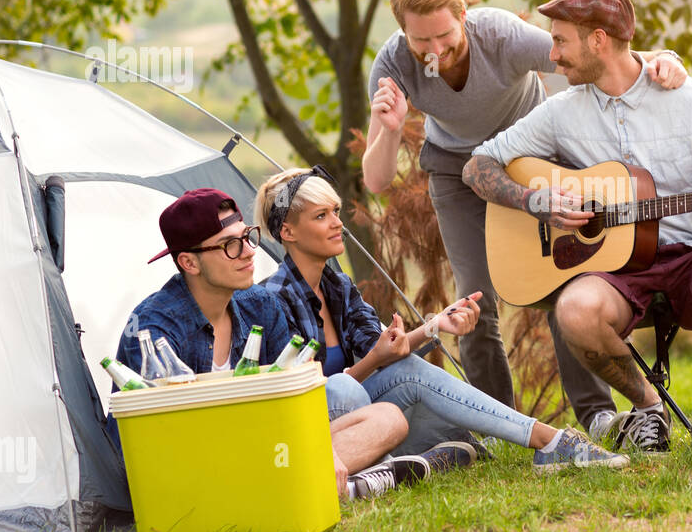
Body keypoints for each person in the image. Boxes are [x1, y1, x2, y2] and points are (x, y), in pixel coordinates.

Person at [362, 0, 689, 430]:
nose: (435, 50)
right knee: (474, 301)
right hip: (457, 174)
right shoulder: (393, 65)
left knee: (565, 280)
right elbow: (375, 179)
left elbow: (583, 59)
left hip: (531, 163)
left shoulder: (501, 37)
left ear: (464, 17)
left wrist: (660, 58)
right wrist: (391, 130)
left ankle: (598, 416)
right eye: (421, 41)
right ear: (402, 33)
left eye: (444, 35)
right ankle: (501, 426)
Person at [463, 0, 692, 453]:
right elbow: (478, 165)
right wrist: (536, 201)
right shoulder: (559, 112)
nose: (553, 56)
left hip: (691, 262)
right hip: (614, 273)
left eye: (560, 42)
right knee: (572, 310)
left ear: (598, 41)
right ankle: (647, 408)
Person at [256, 167, 630, 476]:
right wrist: (374, 360)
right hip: (308, 424)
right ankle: (523, 443)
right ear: (287, 232)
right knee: (344, 388)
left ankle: (540, 440)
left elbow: (385, 349)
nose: (338, 223)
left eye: (336, 212)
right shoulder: (271, 300)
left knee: (414, 377)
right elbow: (304, 395)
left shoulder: (337, 285)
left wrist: (435, 327)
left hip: (360, 414)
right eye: (321, 216)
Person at [113, 188, 416, 501]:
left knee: (388, 419)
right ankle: (337, 483)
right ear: (189, 262)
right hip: (194, 467)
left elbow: (294, 393)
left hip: (262, 449)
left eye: (247, 237)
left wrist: (319, 449)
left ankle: (317, 480)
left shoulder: (258, 304)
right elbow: (163, 441)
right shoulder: (154, 330)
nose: (248, 251)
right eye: (230, 245)